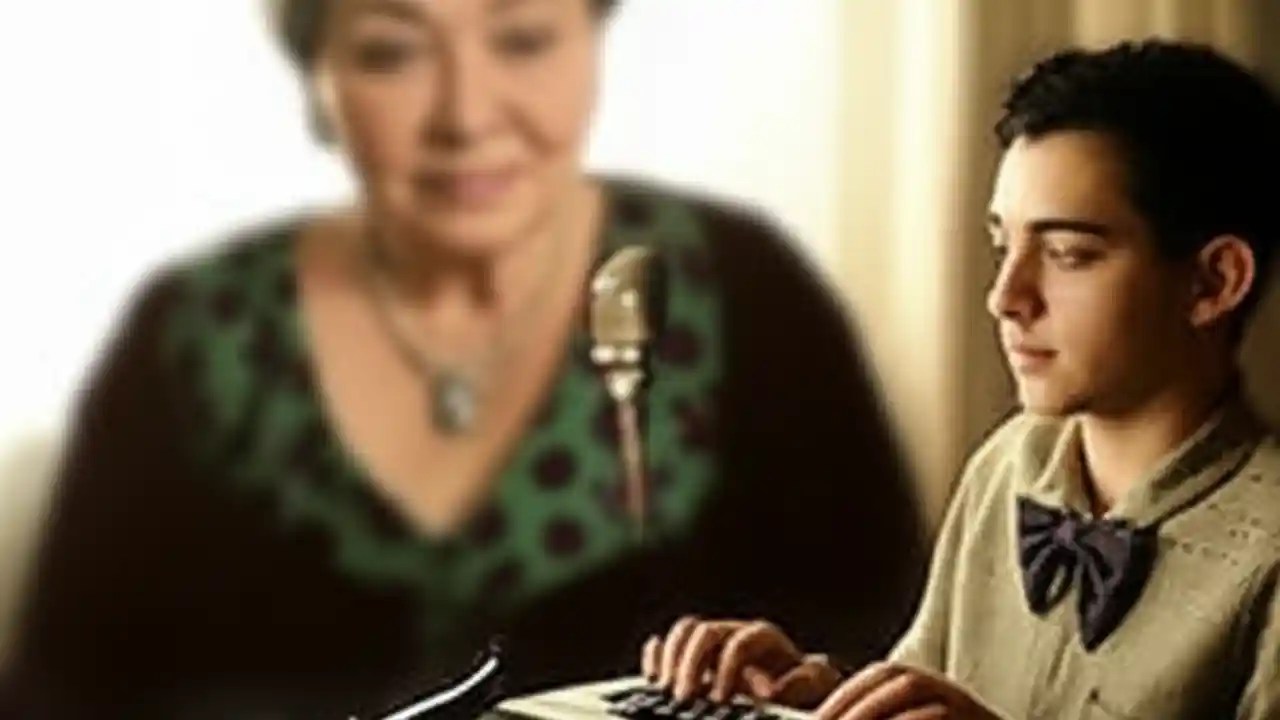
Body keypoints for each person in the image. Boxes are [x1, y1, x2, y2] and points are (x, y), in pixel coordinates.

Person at [0, 0, 925, 717]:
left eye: (521, 42)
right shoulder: (189, 340)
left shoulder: (744, 297)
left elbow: (891, 646)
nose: (465, 112)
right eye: (390, 53)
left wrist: (807, 682)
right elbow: (67, 692)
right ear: (320, 75)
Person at [642, 39, 1280, 719]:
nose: (1006, 297)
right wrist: (810, 695)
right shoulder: (1007, 464)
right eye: (1004, 244)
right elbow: (922, 680)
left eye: (1068, 253)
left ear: (1214, 282)